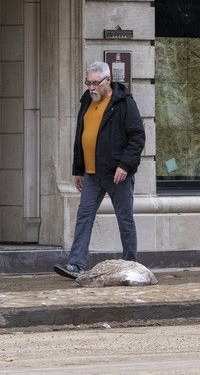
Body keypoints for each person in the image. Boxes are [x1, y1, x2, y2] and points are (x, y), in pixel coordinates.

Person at [54, 61, 146, 279]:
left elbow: (137, 137)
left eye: (96, 83)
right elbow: (81, 138)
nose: (92, 88)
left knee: (125, 218)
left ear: (108, 80)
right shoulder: (86, 101)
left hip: (117, 173)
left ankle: (131, 264)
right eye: (89, 83)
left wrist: (125, 165)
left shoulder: (123, 103)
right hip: (92, 174)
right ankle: (76, 264)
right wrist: (78, 169)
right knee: (84, 216)